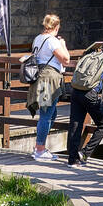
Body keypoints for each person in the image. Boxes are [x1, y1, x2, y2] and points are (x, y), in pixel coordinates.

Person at [23, 13, 70, 162]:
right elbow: (66, 60)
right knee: (46, 115)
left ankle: (40, 146)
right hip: (48, 80)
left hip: (41, 78)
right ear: (56, 27)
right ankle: (39, 149)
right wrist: (63, 44)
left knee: (51, 113)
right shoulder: (52, 41)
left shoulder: (38, 38)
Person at [66, 40, 103, 166]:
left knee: (75, 124)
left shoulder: (88, 56)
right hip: (90, 94)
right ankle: (85, 153)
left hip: (76, 92)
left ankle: (72, 159)